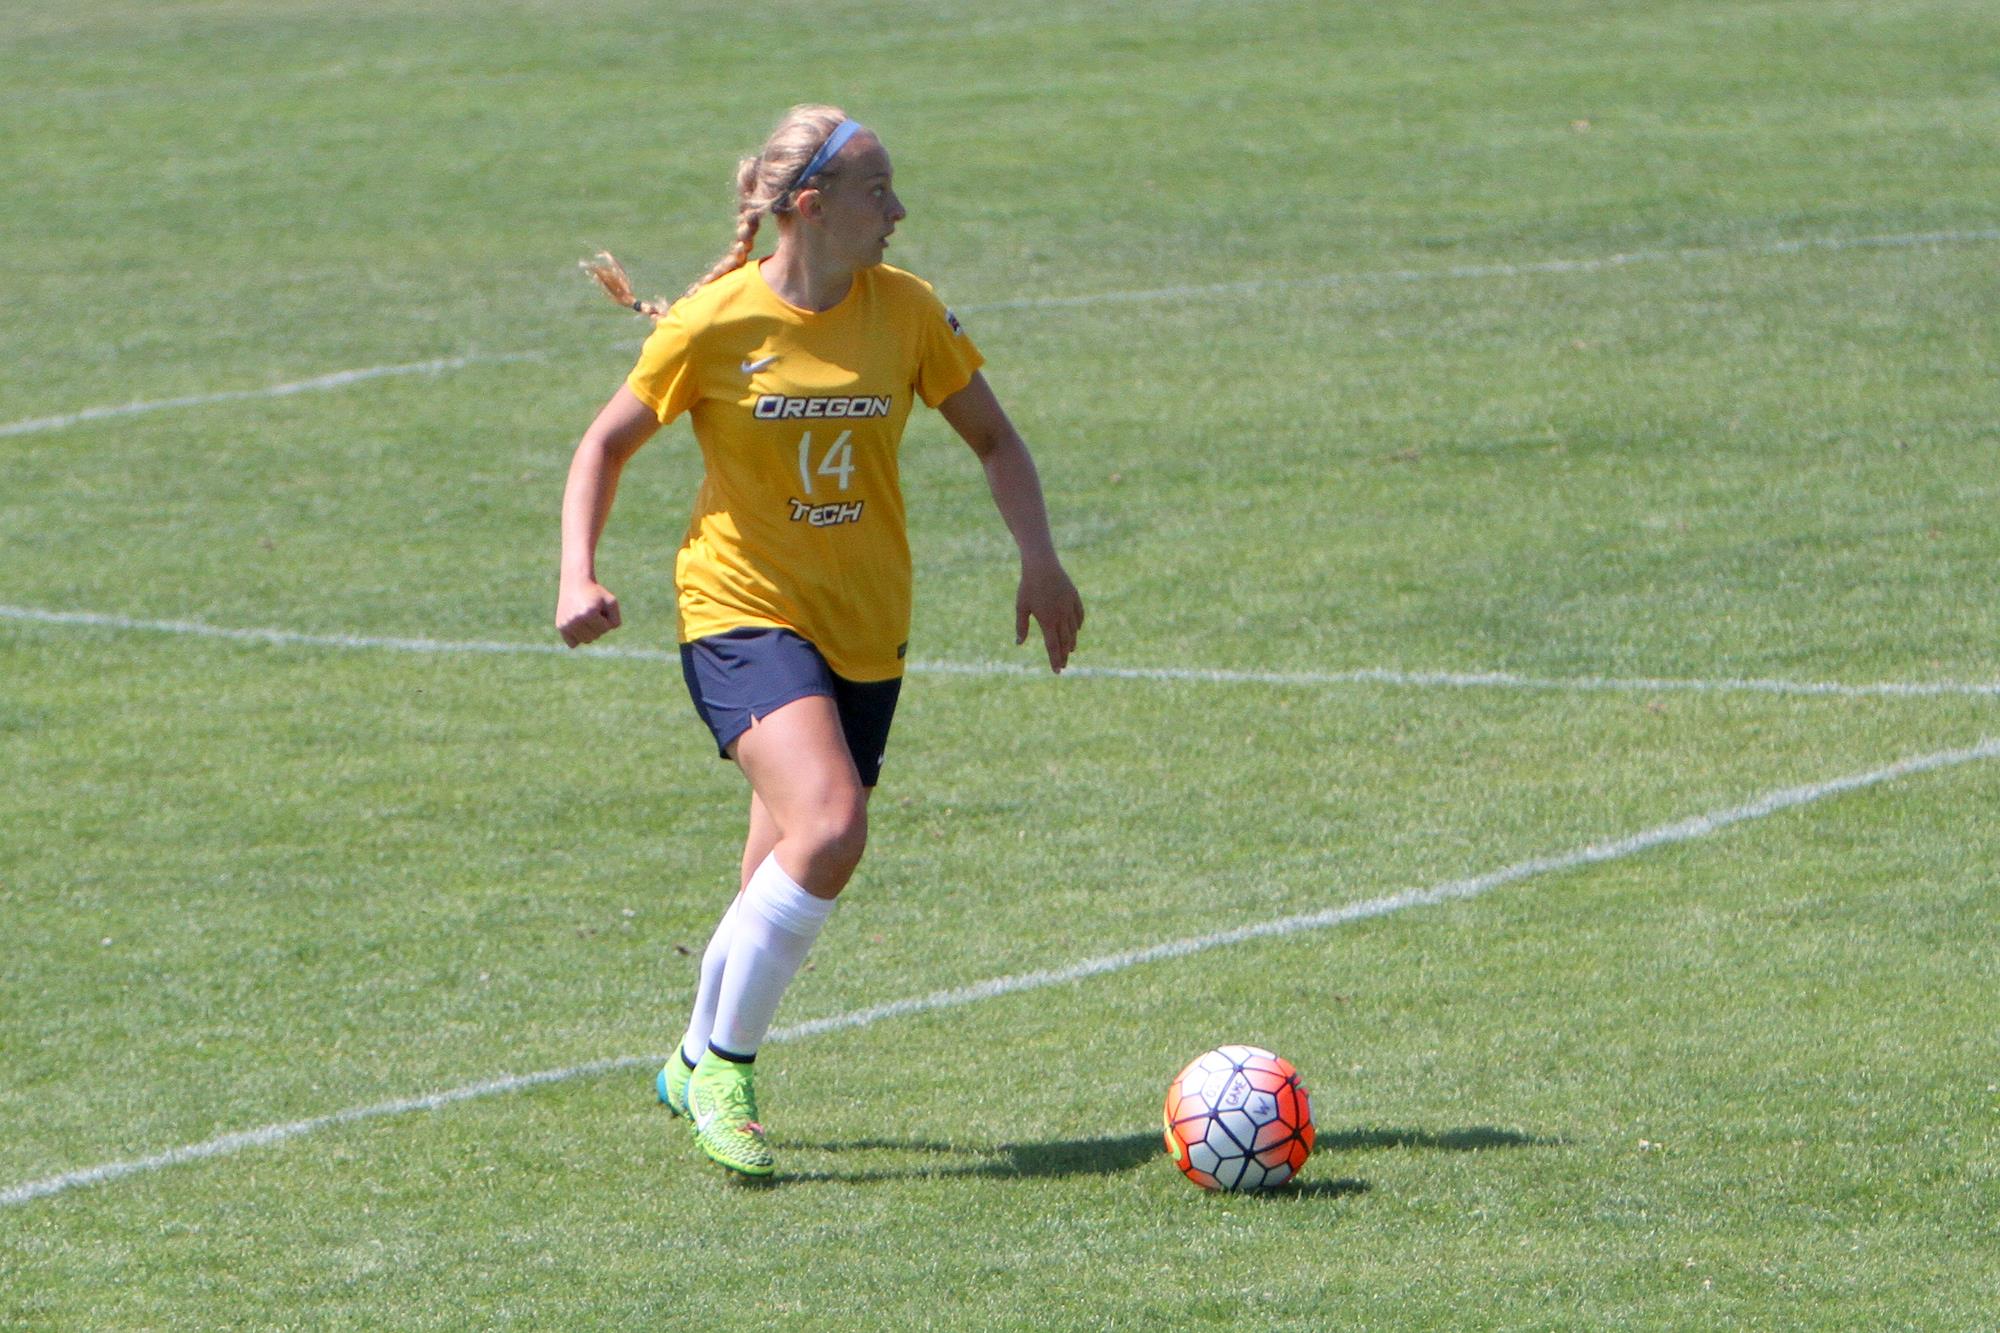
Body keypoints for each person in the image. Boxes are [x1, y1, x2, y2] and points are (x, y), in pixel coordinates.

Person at [554, 105, 1085, 1179]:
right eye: (877, 192)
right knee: (832, 828)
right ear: (811, 207)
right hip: (739, 611)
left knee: (776, 872)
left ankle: (689, 1056)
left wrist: (1039, 557)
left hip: (866, 629)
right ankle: (726, 1072)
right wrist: (578, 571)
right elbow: (603, 444)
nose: (897, 211)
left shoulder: (906, 312)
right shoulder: (713, 325)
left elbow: (992, 437)